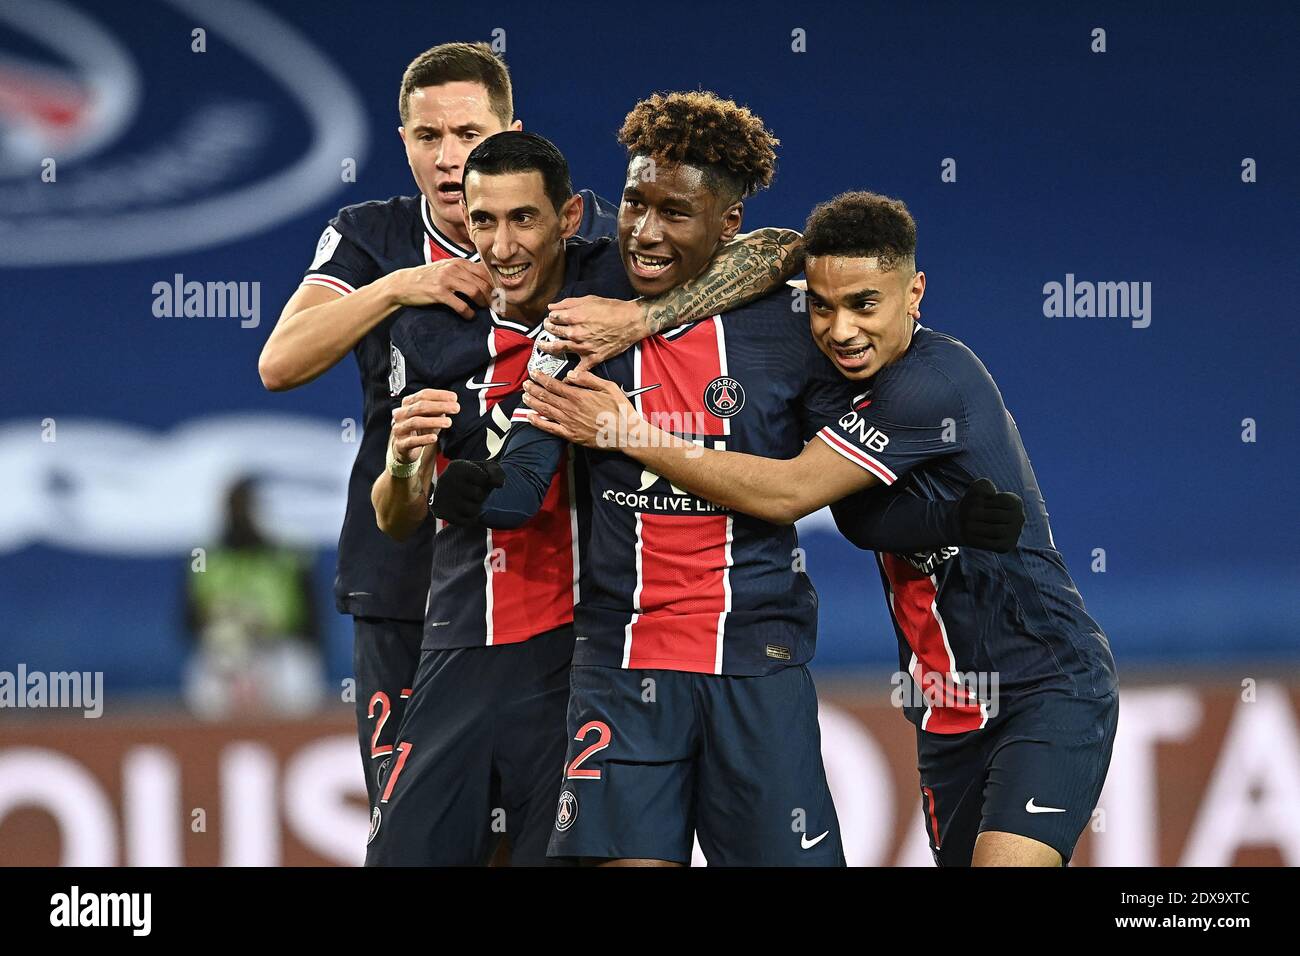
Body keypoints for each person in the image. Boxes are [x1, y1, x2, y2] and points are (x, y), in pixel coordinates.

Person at [432, 94, 1019, 866]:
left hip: (755, 662)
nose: (642, 230)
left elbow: (857, 508)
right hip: (623, 666)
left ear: (726, 222)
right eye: (635, 203)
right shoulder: (580, 318)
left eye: (675, 213)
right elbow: (524, 481)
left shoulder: (788, 328)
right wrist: (470, 485)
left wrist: (947, 519)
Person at [520, 190, 1117, 867]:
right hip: (946, 710)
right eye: (824, 307)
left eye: (866, 304)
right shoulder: (839, 388)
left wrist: (629, 432)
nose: (840, 329)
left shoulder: (933, 381)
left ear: (914, 293)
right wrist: (649, 316)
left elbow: (790, 493)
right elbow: (773, 255)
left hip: (1044, 684)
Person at [367, 128, 817, 865]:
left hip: (591, 649)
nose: (503, 244)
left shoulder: (608, 284)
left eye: (524, 219)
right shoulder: (433, 327)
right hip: (471, 640)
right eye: (483, 221)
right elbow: (405, 515)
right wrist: (411, 469)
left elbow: (780, 246)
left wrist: (642, 319)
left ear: (570, 218)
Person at [182, 477, 324, 719]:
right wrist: (224, 624)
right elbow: (189, 621)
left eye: (244, 507)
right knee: (205, 688)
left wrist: (264, 624)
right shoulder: (207, 559)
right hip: (225, 654)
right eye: (233, 508)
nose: (239, 516)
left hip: (277, 649)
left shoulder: (287, 556)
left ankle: (292, 742)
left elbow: (311, 623)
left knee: (297, 679)